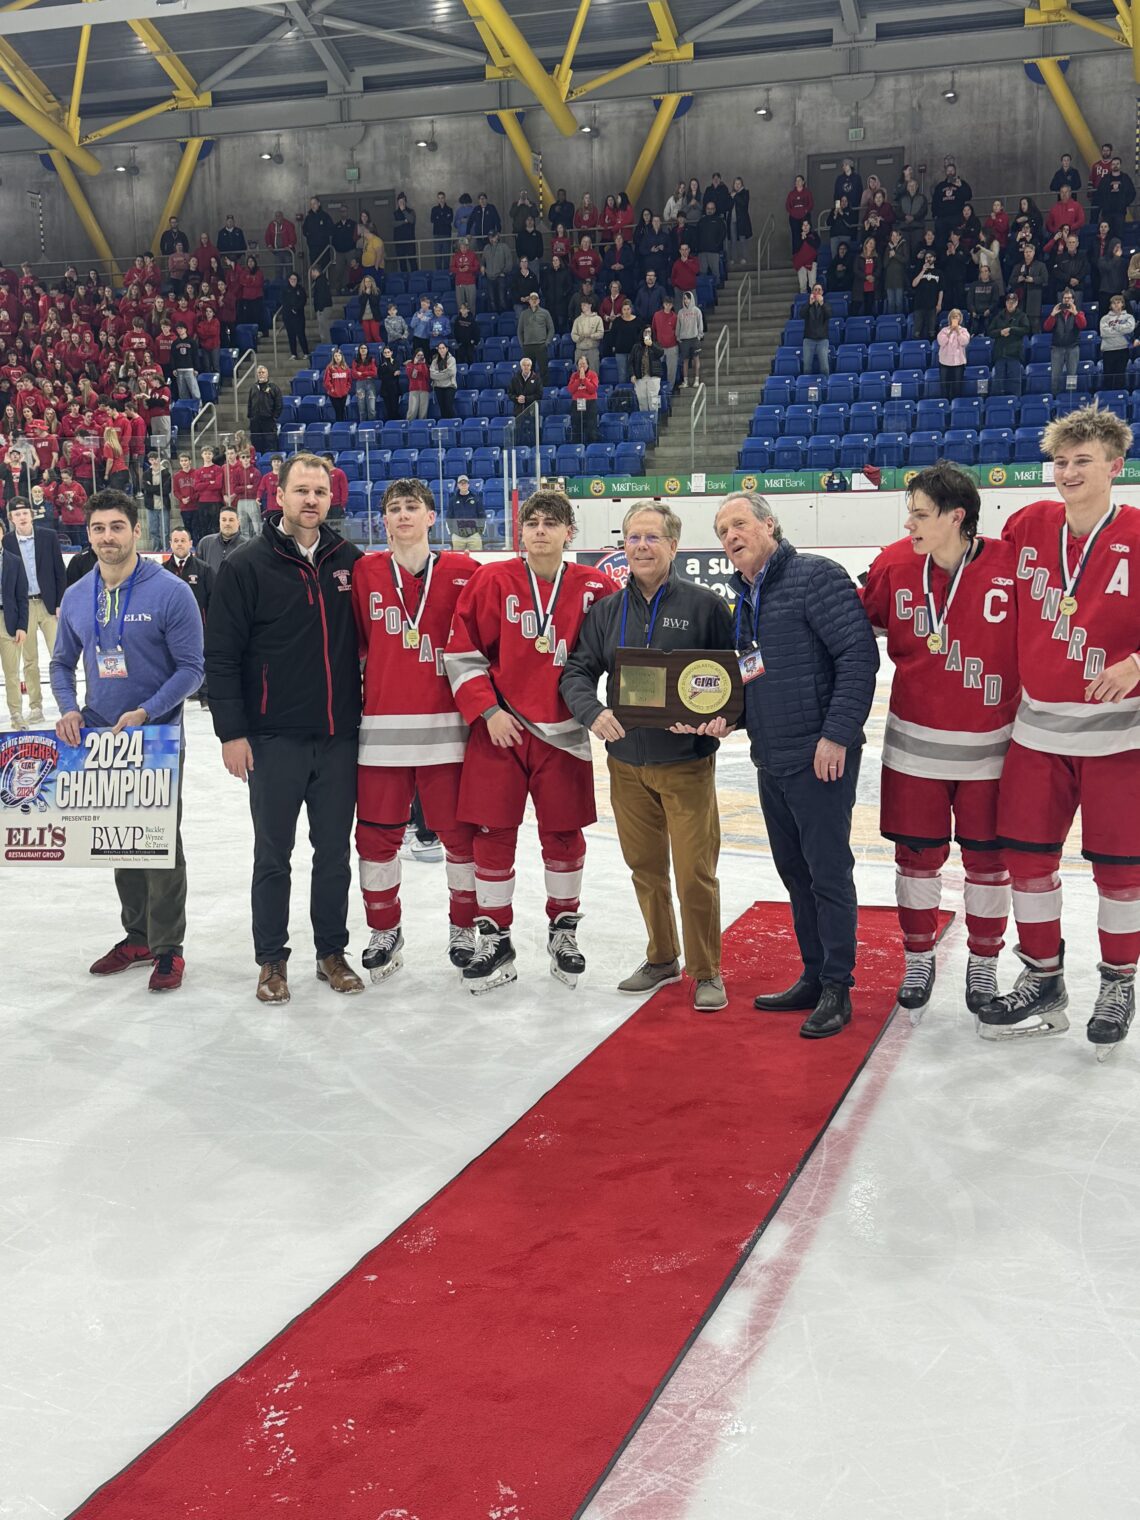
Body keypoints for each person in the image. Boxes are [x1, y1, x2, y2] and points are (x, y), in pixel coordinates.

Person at [978, 406, 1140, 1055]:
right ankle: (1044, 978)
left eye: (1082, 460)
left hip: (1118, 741)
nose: (1068, 472)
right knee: (1027, 863)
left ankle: (1118, 981)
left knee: (1122, 873)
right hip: (1037, 734)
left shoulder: (1139, 533)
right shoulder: (1029, 525)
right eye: (1062, 461)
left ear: (1114, 465)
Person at [714, 492, 878, 1038]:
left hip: (820, 756)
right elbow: (756, 679)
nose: (730, 536)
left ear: (769, 524)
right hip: (773, 758)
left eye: (739, 524)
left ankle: (838, 987)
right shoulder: (744, 597)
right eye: (721, 532)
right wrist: (728, 719)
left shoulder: (814, 575)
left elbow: (858, 656)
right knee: (796, 874)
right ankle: (813, 975)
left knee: (828, 873)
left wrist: (837, 735)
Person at [561, 503, 736, 1010]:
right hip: (625, 765)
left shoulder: (706, 607)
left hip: (685, 765)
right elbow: (576, 671)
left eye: (652, 538)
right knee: (645, 868)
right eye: (633, 537)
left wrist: (723, 718)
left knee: (694, 873)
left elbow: (735, 678)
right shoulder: (607, 611)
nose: (640, 546)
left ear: (674, 546)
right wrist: (592, 712)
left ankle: (706, 970)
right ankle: (662, 957)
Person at [205, 453, 365, 1004]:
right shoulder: (247, 565)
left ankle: (331, 952)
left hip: (339, 737)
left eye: (320, 491)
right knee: (273, 856)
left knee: (334, 855)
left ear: (330, 496)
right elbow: (221, 656)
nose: (311, 500)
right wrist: (232, 732)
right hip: (272, 740)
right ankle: (271, 960)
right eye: (301, 490)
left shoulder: (350, 561)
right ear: (279, 495)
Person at [443, 488, 619, 993]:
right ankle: (495, 937)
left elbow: (622, 656)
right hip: (501, 730)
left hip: (564, 735)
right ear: (522, 531)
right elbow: (462, 652)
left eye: (552, 523)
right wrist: (488, 710)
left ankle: (563, 930)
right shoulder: (491, 579)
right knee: (492, 834)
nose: (540, 530)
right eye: (533, 522)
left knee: (563, 837)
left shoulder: (596, 587)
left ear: (569, 532)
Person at [862, 462, 1019, 1014]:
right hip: (913, 749)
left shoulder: (1012, 565)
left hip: (992, 753)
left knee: (988, 863)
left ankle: (983, 966)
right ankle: (919, 959)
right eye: (909, 512)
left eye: (921, 514)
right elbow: (855, 633)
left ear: (958, 517)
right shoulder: (894, 564)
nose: (910, 524)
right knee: (917, 859)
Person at [50, 489, 204, 991]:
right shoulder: (77, 595)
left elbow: (191, 670)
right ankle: (136, 935)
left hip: (155, 735)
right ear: (88, 535)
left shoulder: (170, 591)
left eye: (117, 526)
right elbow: (58, 663)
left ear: (137, 531)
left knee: (160, 843)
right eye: (98, 529)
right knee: (118, 838)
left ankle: (167, 948)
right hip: (100, 735)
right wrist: (69, 709)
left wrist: (147, 711)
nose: (107, 537)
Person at [351, 480, 480, 982]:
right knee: (376, 840)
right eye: (394, 509)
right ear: (383, 520)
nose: (403, 515)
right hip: (380, 733)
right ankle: (385, 930)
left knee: (458, 839)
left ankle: (464, 927)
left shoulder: (466, 572)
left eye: (413, 507)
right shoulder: (365, 572)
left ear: (431, 517)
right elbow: (359, 644)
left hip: (448, 732)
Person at [3, 499, 66, 725]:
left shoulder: (48, 536)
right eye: (17, 514)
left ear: (31, 514)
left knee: (59, 656)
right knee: (30, 660)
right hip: (24, 608)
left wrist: (60, 601)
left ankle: (67, 705)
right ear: (11, 518)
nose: (22, 517)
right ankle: (36, 707)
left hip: (49, 605)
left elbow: (60, 570)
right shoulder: (8, 542)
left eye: (25, 512)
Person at [0, 513, 29, 728]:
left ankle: (16, 714)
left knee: (12, 673)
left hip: (8, 622)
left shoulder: (14, 561)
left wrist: (22, 626)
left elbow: (22, 597)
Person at [987, 292, 1031, 397]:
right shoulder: (999, 316)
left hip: (1014, 354)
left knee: (1015, 382)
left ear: (1017, 303)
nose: (1010, 304)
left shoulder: (1022, 316)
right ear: (1005, 303)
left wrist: (1012, 330)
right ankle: (997, 403)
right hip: (1000, 354)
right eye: (1008, 302)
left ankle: (1015, 403)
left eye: (1013, 302)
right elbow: (990, 332)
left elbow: (1026, 329)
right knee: (998, 381)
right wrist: (1000, 332)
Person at [1043, 289, 1086, 395]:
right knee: (1055, 376)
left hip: (1072, 348)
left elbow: (1082, 325)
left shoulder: (1079, 313)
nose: (1067, 300)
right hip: (1057, 348)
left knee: (1072, 375)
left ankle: (1070, 398)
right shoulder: (1056, 313)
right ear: (1061, 299)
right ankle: (1055, 397)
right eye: (1065, 298)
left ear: (1073, 300)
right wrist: (1052, 314)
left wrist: (1075, 313)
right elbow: (1047, 327)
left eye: (1069, 298)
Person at [517, 290, 554, 382]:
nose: (533, 301)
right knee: (529, 371)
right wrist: (522, 344)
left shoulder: (545, 313)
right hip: (528, 346)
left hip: (541, 345)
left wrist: (547, 342)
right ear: (529, 301)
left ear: (538, 301)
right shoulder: (524, 314)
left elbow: (551, 329)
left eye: (535, 299)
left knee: (543, 370)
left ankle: (544, 390)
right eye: (532, 299)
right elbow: (519, 330)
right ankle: (531, 390)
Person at [196, 505, 244, 578]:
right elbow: (197, 571)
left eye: (231, 520)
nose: (227, 523)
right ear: (219, 521)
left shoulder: (247, 545)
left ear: (238, 522)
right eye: (224, 520)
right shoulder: (205, 543)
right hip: (210, 588)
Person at [247, 365, 282, 454]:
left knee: (270, 445)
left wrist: (274, 417)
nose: (261, 374)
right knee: (256, 446)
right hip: (255, 422)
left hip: (268, 421)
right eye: (259, 372)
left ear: (267, 374)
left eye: (263, 372)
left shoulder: (273, 387)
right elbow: (250, 403)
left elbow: (279, 404)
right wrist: (250, 416)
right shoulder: (253, 387)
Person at [936, 308, 969, 400]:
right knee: (944, 385)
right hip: (945, 362)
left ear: (960, 319)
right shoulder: (944, 330)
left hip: (958, 363)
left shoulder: (964, 331)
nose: (955, 318)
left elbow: (964, 342)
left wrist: (957, 331)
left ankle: (956, 403)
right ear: (950, 318)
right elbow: (941, 342)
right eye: (953, 317)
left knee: (957, 386)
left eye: (957, 317)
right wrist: (950, 332)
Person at [630, 327, 663, 412]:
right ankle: (645, 423)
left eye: (649, 332)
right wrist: (632, 374)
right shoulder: (636, 346)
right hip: (640, 377)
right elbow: (631, 362)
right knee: (642, 402)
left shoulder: (656, 344)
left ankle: (654, 422)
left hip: (653, 377)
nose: (647, 333)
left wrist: (651, 345)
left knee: (653, 401)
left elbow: (660, 353)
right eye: (645, 331)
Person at [675, 289, 704, 389]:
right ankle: (685, 381)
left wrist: (699, 336)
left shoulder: (697, 311)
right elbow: (678, 326)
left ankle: (697, 379)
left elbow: (700, 324)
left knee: (696, 359)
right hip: (684, 340)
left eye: (688, 299)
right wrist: (678, 336)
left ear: (691, 299)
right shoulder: (680, 312)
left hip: (694, 338)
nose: (686, 301)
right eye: (685, 299)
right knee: (685, 360)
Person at [567, 354, 599, 444]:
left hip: (590, 402)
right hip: (577, 402)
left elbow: (593, 389)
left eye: (584, 364)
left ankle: (592, 445)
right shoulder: (574, 375)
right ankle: (577, 446)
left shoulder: (593, 375)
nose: (582, 366)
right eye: (580, 364)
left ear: (588, 365)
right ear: (577, 366)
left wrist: (584, 379)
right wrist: (579, 380)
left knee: (591, 425)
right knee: (577, 425)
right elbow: (571, 389)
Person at [802, 283, 831, 378]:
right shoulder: (807, 304)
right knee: (806, 367)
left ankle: (825, 387)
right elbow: (802, 314)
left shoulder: (826, 305)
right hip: (809, 339)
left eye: (819, 290)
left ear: (822, 292)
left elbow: (829, 315)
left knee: (824, 367)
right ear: (812, 292)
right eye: (815, 290)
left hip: (822, 339)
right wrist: (809, 304)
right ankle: (806, 387)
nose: (817, 292)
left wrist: (822, 304)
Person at [280, 271, 308, 359]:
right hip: (288, 316)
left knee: (301, 335)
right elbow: (283, 301)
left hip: (299, 316)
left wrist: (296, 308)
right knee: (291, 336)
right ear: (289, 280)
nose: (293, 280)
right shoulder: (285, 290)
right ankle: (294, 354)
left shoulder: (301, 289)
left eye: (295, 279)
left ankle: (306, 353)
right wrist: (290, 309)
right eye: (291, 279)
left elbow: (303, 300)